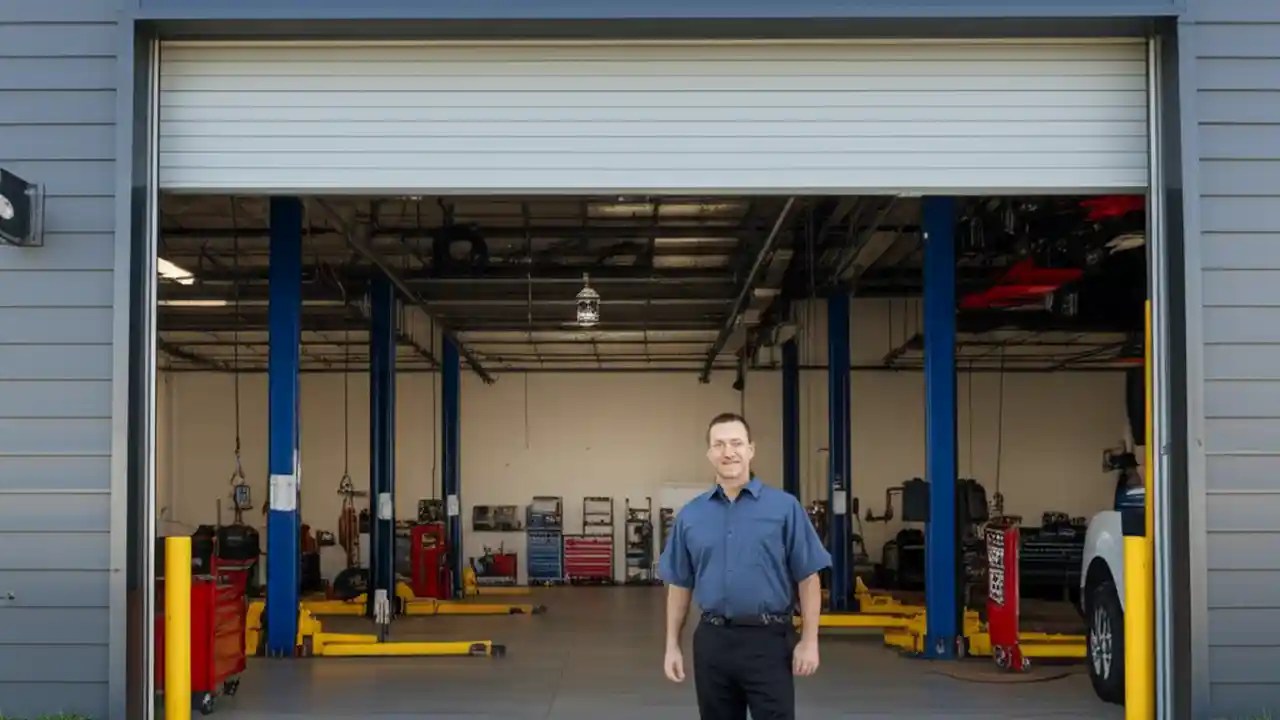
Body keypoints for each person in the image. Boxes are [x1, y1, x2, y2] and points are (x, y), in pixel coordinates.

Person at [658, 412, 831, 720]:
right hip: (712, 643)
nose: (728, 452)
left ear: (751, 449)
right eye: (719, 444)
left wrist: (809, 641)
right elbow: (680, 585)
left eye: (736, 443)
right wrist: (672, 645)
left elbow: (808, 577)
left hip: (769, 642)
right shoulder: (691, 516)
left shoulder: (784, 508)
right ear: (709, 453)